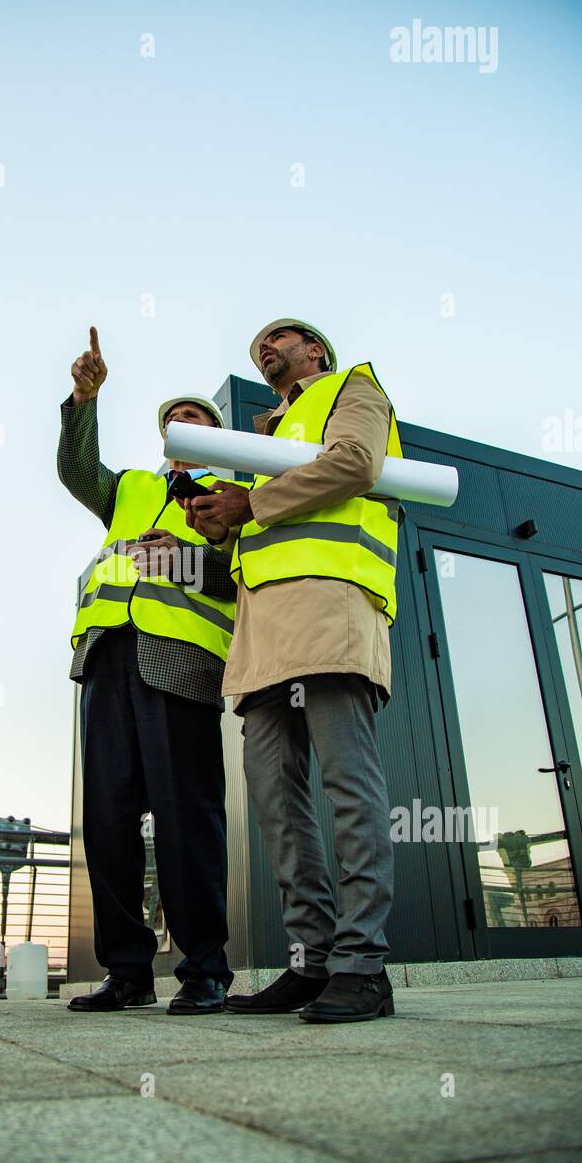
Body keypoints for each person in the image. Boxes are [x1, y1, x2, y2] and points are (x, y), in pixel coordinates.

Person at [185, 318, 401, 1023]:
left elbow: (355, 465)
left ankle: (363, 964)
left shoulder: (352, 387)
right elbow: (257, 526)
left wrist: (254, 504)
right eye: (257, 348)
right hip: (262, 637)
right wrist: (221, 523)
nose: (265, 349)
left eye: (279, 338)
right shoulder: (259, 438)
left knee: (347, 786)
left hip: (330, 608)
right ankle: (310, 963)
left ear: (316, 350)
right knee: (279, 805)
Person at [59, 326, 243, 1015]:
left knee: (185, 815)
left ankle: (204, 970)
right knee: (106, 817)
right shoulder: (133, 487)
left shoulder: (237, 496)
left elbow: (241, 578)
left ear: (216, 437)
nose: (181, 424)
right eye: (172, 420)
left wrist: (186, 561)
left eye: (194, 418)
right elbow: (79, 472)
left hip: (182, 662)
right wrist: (84, 398)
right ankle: (128, 970)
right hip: (108, 655)